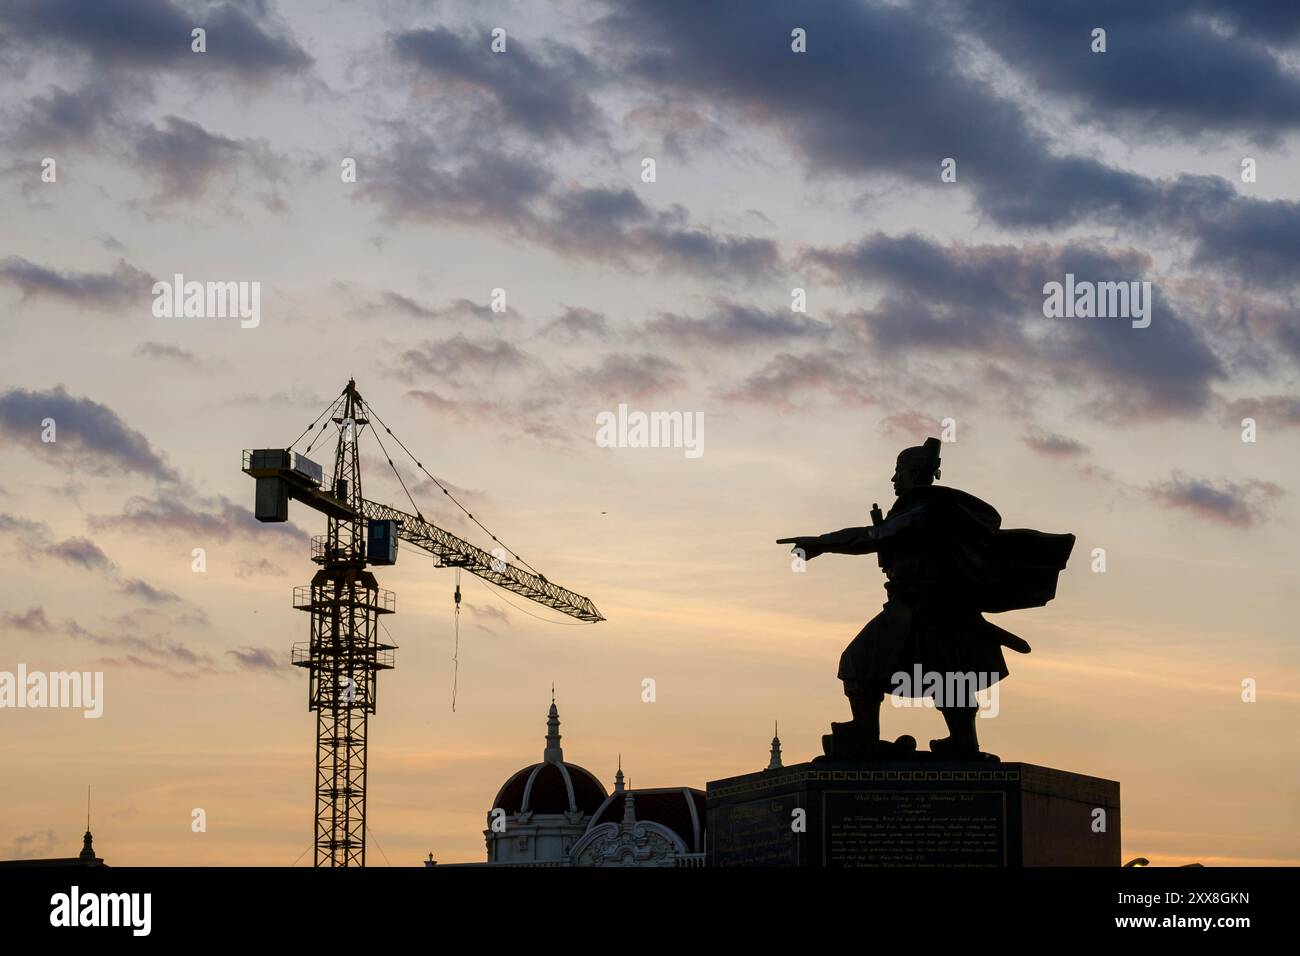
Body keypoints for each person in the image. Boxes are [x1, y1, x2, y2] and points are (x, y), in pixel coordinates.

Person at [778, 438, 1070, 760]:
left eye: (898, 472)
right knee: (944, 675)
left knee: (867, 663)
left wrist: (821, 543)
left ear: (914, 474)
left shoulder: (925, 511)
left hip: (925, 610)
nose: (893, 480)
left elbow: (873, 536)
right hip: (916, 608)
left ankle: (887, 735)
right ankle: (939, 739)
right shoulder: (920, 509)